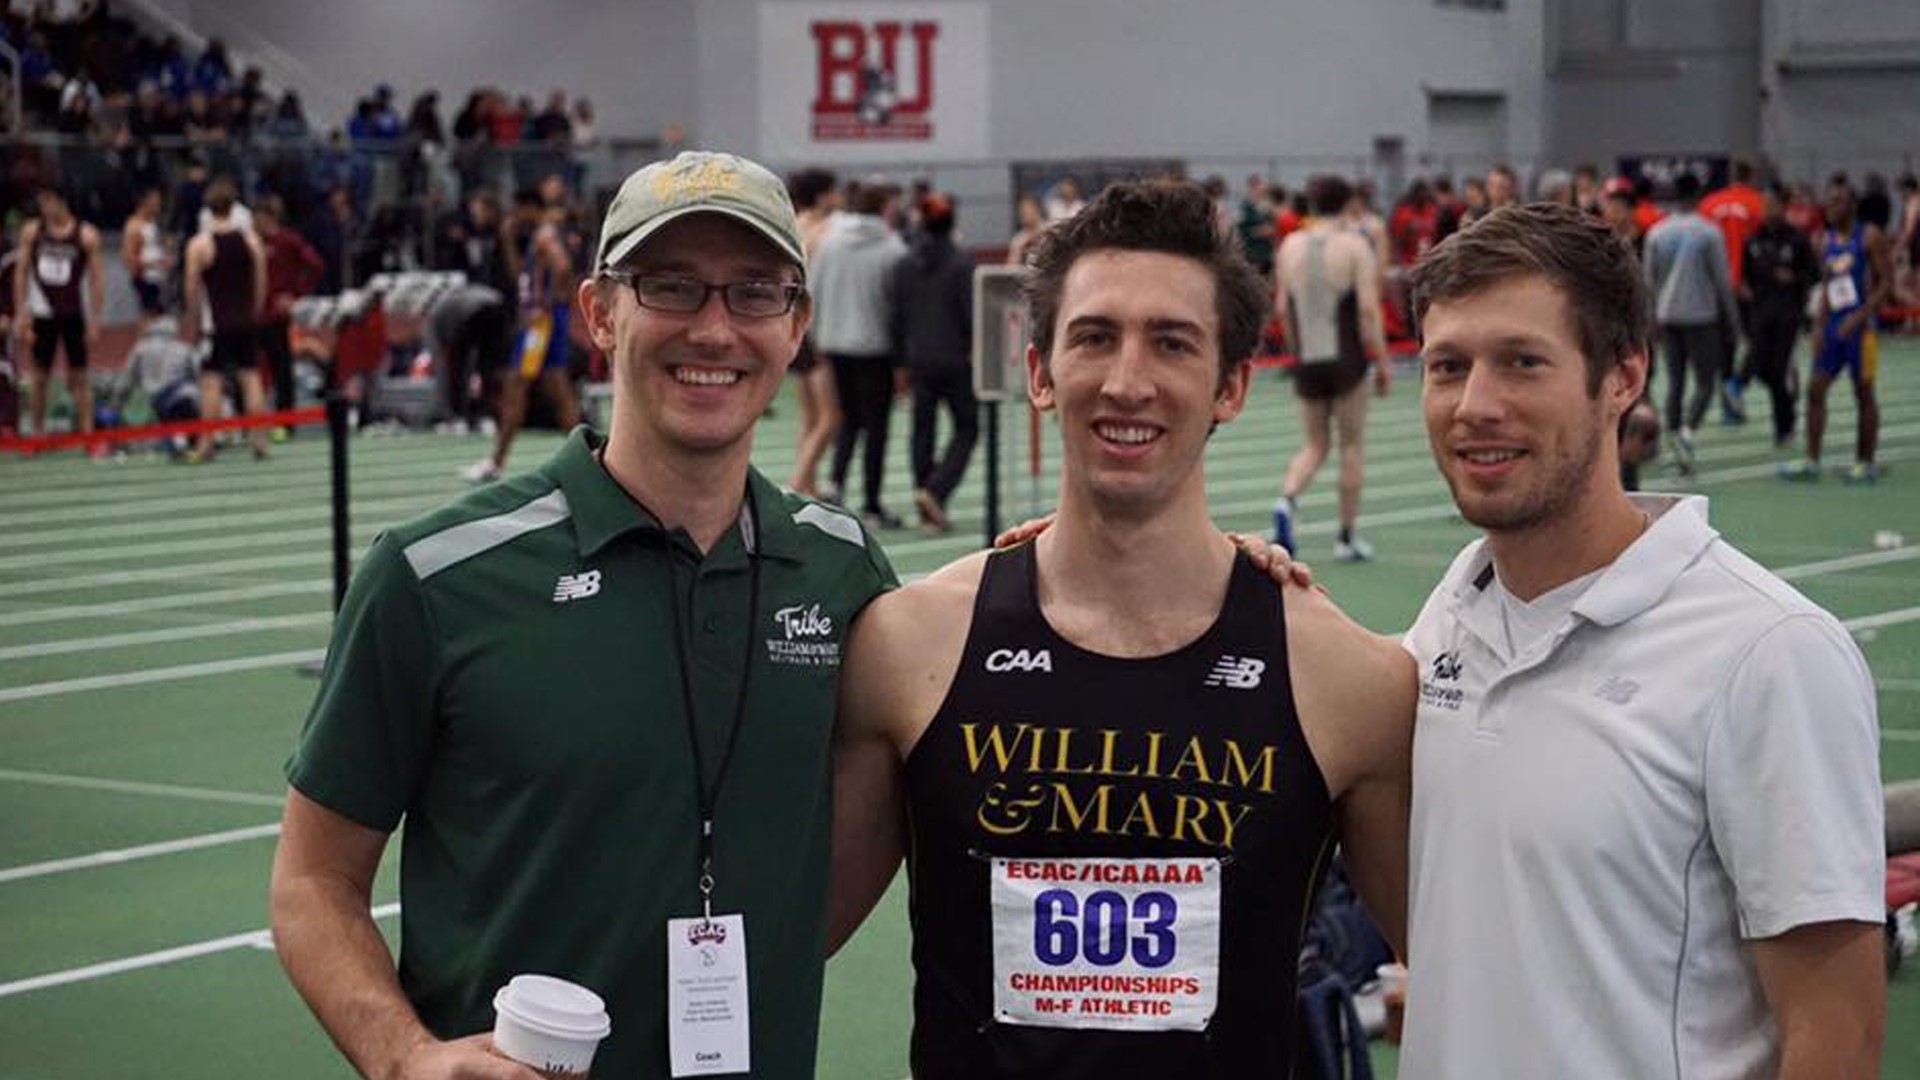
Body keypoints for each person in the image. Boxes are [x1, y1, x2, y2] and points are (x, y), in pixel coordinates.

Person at [270, 150, 898, 1080]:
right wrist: (406, 1057)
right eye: (670, 286)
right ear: (600, 313)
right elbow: (313, 879)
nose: (715, 328)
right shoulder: (436, 576)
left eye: (755, 292)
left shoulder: (844, 572)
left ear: (797, 324)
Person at [827, 179, 1415, 1079]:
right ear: (1039, 372)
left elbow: (1479, 968)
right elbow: (783, 936)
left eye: (1172, 343)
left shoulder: (1347, 677)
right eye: (1095, 337)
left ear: (1231, 386)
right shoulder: (908, 645)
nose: (1127, 382)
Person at [1402, 202, 1884, 1078]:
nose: (1475, 405)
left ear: (1623, 376)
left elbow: (1837, 1034)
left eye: (1522, 362)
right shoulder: (1453, 611)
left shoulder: (1767, 651)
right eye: (1448, 366)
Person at [1270, 175, 1391, 560]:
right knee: (1351, 445)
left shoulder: (1290, 246)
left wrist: (1296, 353)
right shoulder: (1355, 245)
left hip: (1307, 356)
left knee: (1314, 445)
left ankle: (1287, 499)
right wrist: (1382, 360)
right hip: (1347, 357)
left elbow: (1281, 308)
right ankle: (1346, 536)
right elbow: (1368, 310)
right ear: (1349, 203)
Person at [1781, 174, 1894, 483]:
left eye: (1838, 202)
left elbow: (1886, 283)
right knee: (1815, 389)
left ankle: (1865, 462)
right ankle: (1811, 461)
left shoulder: (1869, 237)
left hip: (1862, 330)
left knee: (1863, 392)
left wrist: (1859, 316)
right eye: (1828, 202)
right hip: (1833, 328)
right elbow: (1827, 286)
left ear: (1852, 205)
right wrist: (1819, 328)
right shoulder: (1825, 241)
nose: (1831, 207)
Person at [464, 190, 582, 482]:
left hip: (540, 325)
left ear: (531, 208)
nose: (515, 216)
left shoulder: (545, 235)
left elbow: (563, 268)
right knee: (559, 391)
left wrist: (547, 305)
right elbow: (521, 276)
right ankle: (587, 461)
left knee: (516, 386)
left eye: (518, 210)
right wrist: (507, 241)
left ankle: (496, 462)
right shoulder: (538, 237)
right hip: (547, 321)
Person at [812, 181, 908, 527]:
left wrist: (817, 336)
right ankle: (871, 502)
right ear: (884, 208)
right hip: (876, 348)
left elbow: (814, 289)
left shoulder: (830, 242)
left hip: (836, 344)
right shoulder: (893, 248)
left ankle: (835, 484)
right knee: (877, 428)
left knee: (848, 418)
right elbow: (898, 306)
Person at [1643, 171, 1739, 476]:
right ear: (1698, 196)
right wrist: (1733, 319)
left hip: (1667, 315)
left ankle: (1673, 440)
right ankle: (1686, 432)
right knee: (1706, 382)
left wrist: (1650, 319)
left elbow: (1648, 282)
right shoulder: (1709, 232)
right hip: (1700, 316)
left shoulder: (1657, 233)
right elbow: (1722, 280)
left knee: (1675, 383)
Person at [892, 193, 977, 533]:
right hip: (954, 357)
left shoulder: (905, 263)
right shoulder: (961, 263)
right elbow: (970, 313)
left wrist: (900, 360)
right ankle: (937, 490)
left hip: (918, 358)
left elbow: (897, 315)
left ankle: (925, 495)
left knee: (922, 430)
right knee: (968, 427)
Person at [182, 177, 270, 462]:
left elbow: (191, 289)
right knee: (251, 378)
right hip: (245, 318)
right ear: (234, 207)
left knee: (211, 383)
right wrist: (255, 309)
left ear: (208, 209)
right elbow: (261, 281)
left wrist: (193, 319)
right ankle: (260, 441)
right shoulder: (251, 241)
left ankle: (206, 443)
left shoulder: (199, 246)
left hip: (215, 323)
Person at [12, 184, 105, 443]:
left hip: (73, 312)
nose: (43, 208)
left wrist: (96, 318)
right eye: (41, 203)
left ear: (61, 201)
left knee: (79, 375)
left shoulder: (86, 235)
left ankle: (87, 433)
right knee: (39, 376)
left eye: (47, 202)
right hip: (42, 312)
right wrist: (21, 310)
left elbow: (97, 278)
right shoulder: (33, 231)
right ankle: (37, 432)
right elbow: (21, 272)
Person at [1741, 183, 1821, 449]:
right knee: (1762, 370)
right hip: (1761, 315)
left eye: (1772, 204)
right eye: (1764, 205)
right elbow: (1747, 274)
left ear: (1784, 206)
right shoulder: (1753, 239)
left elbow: (1814, 274)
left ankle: (1784, 427)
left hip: (1788, 316)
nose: (1767, 209)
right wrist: (1745, 290)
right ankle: (1788, 386)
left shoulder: (1797, 239)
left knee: (1777, 370)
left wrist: (1794, 278)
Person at [786, 167, 842, 498]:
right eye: (834, 191)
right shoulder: (825, 229)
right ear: (822, 195)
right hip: (815, 327)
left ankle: (809, 487)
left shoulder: (793, 224)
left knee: (810, 416)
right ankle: (797, 483)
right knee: (830, 417)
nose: (839, 198)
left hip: (795, 324)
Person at [255, 197, 325, 436]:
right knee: (252, 372)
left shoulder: (288, 241)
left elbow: (315, 266)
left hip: (277, 317)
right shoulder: (253, 242)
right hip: (254, 316)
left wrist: (297, 295)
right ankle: (253, 422)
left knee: (282, 370)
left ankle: (285, 424)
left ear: (269, 217)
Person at [120, 186, 172, 327]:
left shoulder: (153, 223)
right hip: (145, 278)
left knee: (159, 317)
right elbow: (128, 257)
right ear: (145, 202)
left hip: (158, 277)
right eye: (156, 201)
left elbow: (155, 247)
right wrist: (150, 266)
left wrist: (165, 257)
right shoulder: (133, 226)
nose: (159, 205)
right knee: (148, 315)